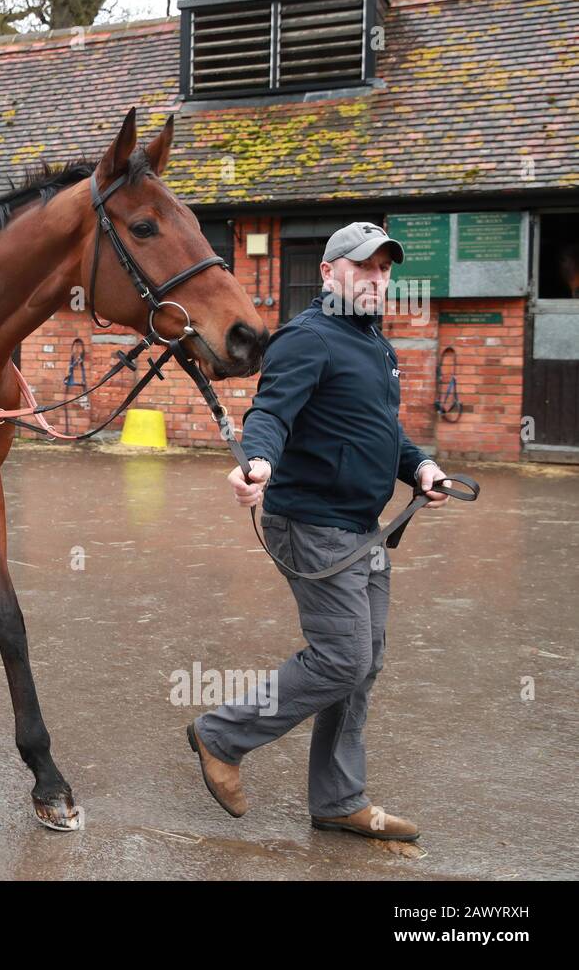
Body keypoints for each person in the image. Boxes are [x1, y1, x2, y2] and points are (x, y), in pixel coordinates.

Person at [186, 222, 449, 842]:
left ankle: (337, 798)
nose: (377, 280)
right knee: (343, 657)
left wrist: (421, 466)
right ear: (329, 273)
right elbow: (271, 412)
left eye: (385, 270)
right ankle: (220, 735)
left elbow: (380, 429)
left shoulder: (373, 344)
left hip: (363, 529)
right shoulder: (308, 338)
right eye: (364, 269)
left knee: (366, 661)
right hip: (311, 524)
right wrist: (258, 462)